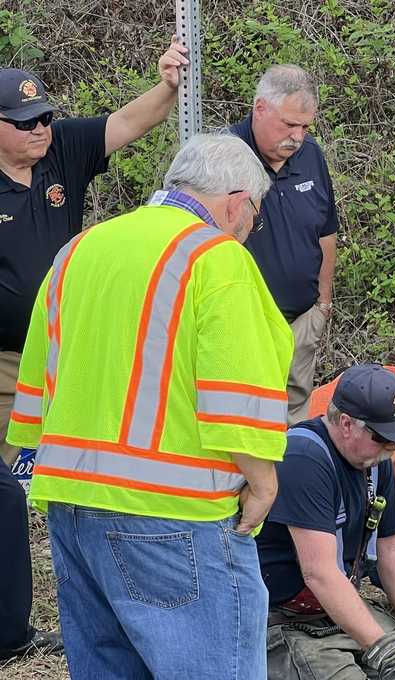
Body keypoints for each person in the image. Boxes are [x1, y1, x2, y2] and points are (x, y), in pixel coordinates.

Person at [5, 133, 293, 678]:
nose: (248, 230)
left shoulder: (79, 248)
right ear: (237, 202)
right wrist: (263, 482)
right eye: (254, 216)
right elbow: (235, 395)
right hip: (174, 513)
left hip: (70, 503)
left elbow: (39, 374)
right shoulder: (216, 258)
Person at [0, 39, 188, 661]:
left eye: (45, 117)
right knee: (6, 488)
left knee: (67, 485)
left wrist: (166, 86)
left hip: (66, 355)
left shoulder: (62, 150)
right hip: (5, 361)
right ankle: (11, 626)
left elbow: (129, 122)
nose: (40, 129)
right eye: (24, 122)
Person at [258, 363, 395, 680]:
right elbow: (320, 573)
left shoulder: (374, 458)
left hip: (335, 610)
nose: (393, 447)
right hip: (284, 621)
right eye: (383, 437)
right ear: (347, 424)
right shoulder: (303, 457)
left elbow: (392, 548)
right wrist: (385, 650)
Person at [231, 65, 339, 425]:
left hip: (302, 321)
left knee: (293, 419)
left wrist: (323, 303)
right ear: (260, 108)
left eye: (305, 127)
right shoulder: (225, 158)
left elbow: (326, 229)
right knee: (245, 420)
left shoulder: (311, 156)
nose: (297, 137)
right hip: (245, 326)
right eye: (289, 125)